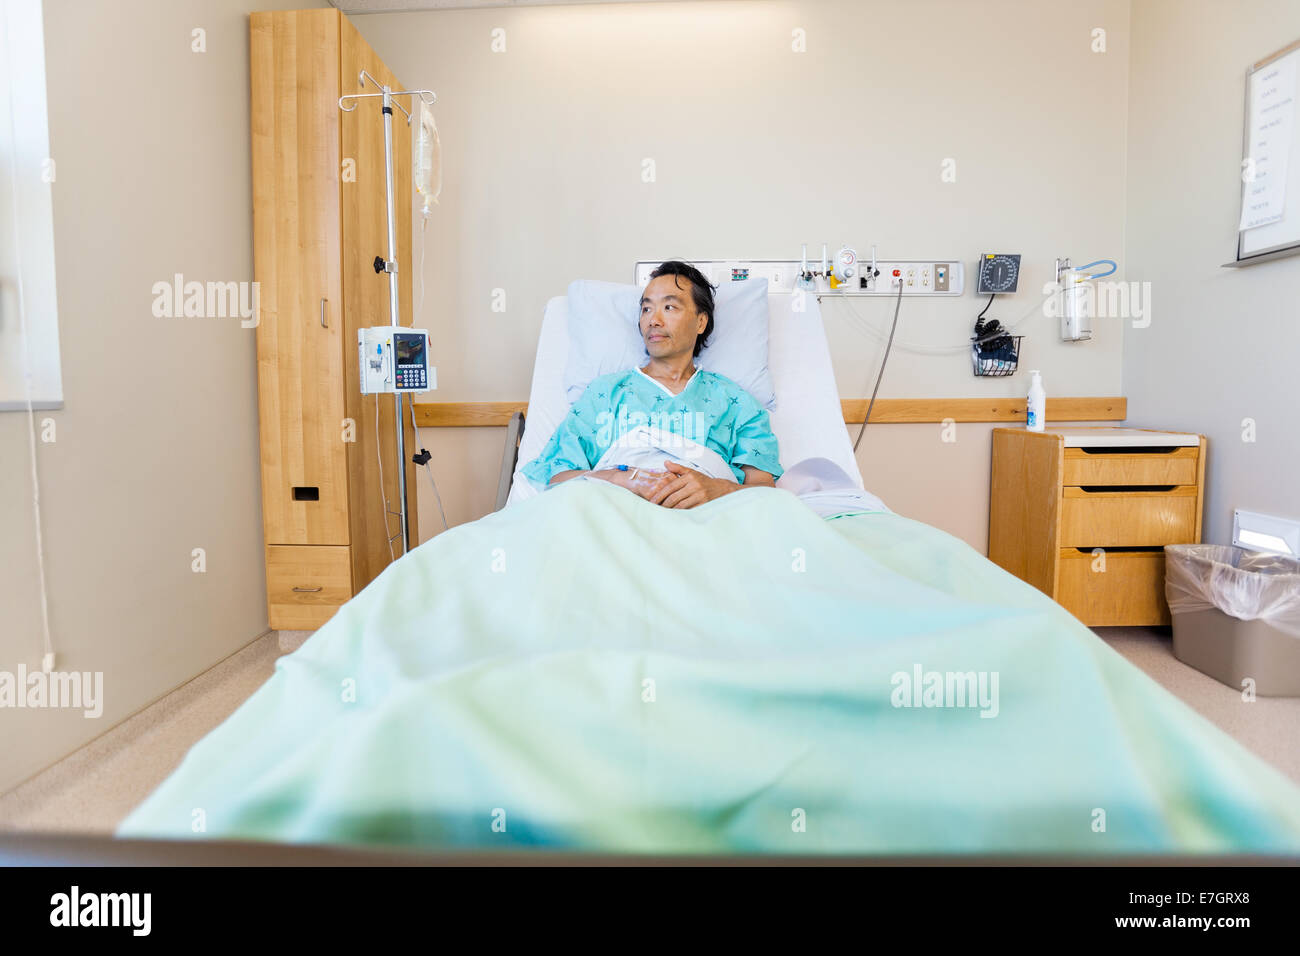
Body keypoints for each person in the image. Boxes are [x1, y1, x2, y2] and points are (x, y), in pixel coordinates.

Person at [520, 261, 781, 509]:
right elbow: (558, 479)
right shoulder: (604, 393)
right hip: (613, 516)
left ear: (701, 322)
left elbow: (764, 491)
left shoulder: (735, 402)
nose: (653, 320)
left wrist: (716, 490)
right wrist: (619, 479)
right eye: (646, 308)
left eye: (669, 307)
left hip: (706, 520)